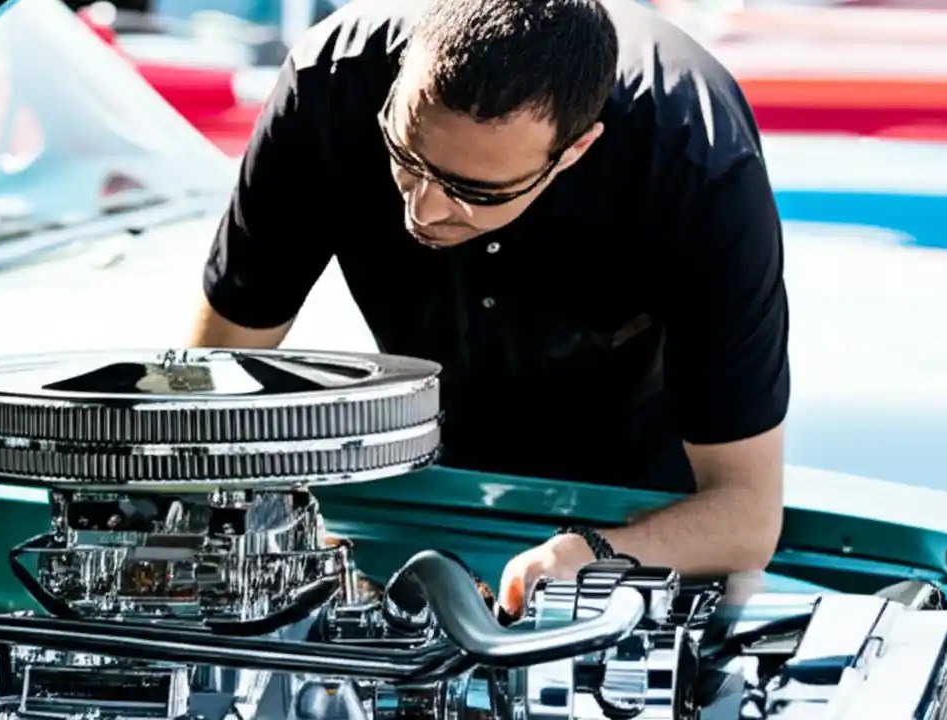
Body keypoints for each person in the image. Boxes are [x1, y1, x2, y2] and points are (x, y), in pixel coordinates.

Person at [187, 0, 789, 617]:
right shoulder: (330, 80)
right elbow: (208, 401)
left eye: (476, 192)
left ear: (577, 149)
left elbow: (746, 516)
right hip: (411, 488)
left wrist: (593, 554)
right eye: (405, 154)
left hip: (637, 509)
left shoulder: (696, 157)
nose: (422, 211)